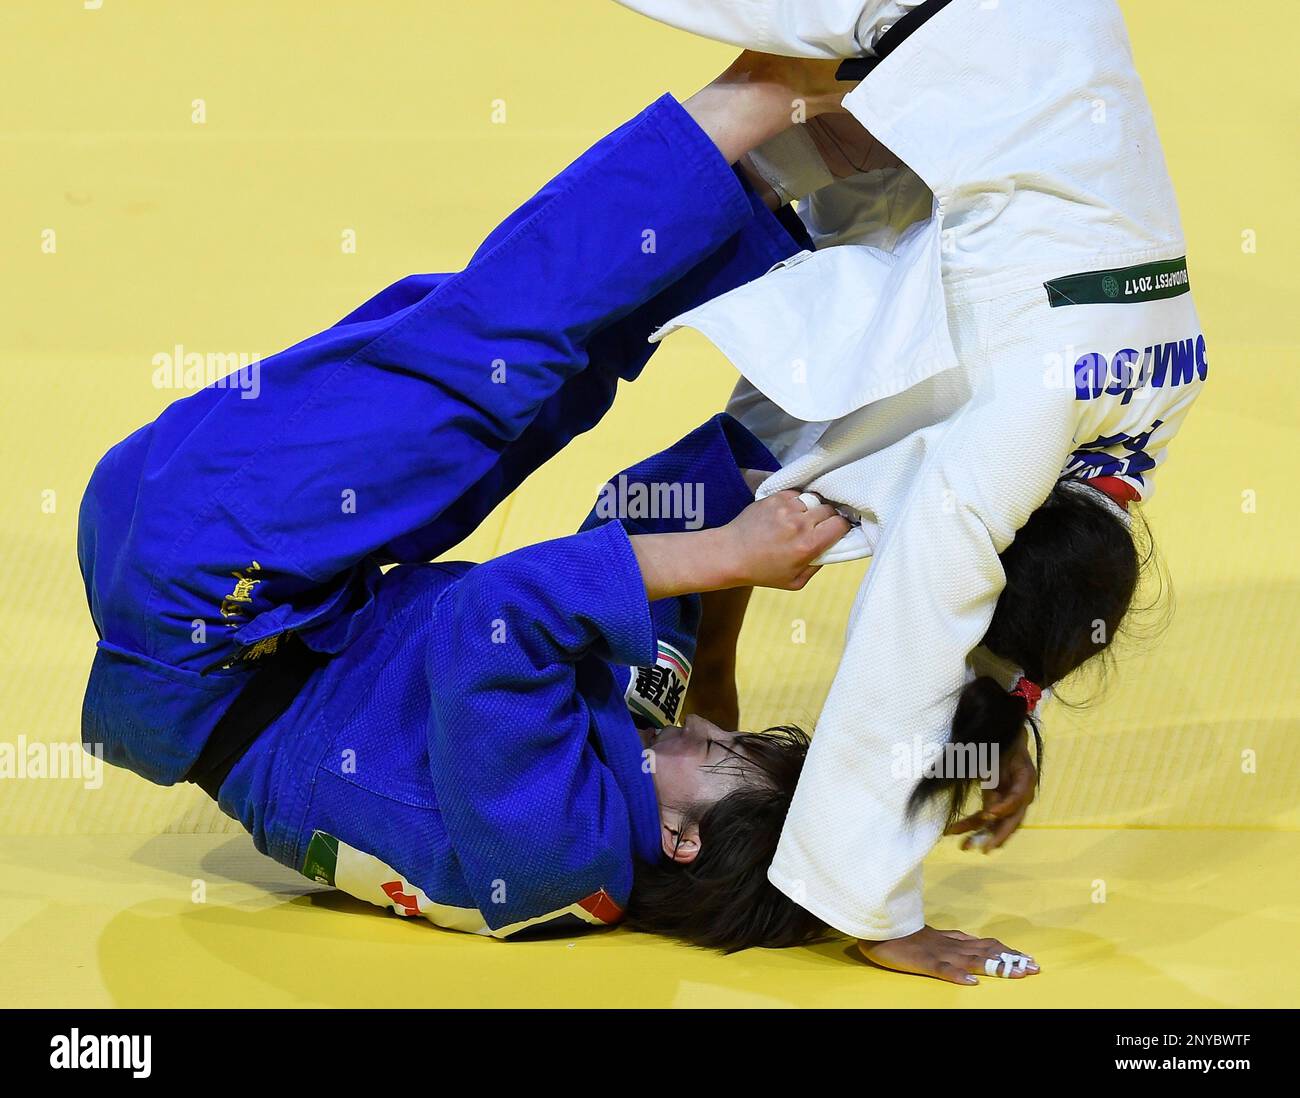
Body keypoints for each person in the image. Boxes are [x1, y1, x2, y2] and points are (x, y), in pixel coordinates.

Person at [78, 57, 1038, 968]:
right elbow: (644, 511)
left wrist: (723, 561)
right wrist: (964, 700)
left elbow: (487, 624)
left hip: (207, 585)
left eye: (725, 757)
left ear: (683, 841)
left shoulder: (554, 858)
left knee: (474, 365)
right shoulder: (620, 778)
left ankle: (760, 96)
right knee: (543, 389)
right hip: (287, 599)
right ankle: (795, 172)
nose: (713, 731)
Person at [615, 0, 1207, 982]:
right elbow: (917, 629)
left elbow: (1037, 588)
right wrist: (872, 904)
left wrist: (1004, 710)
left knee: (806, 424)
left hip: (1028, 63)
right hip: (940, 38)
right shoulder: (1006, 430)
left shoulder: (1161, 394)